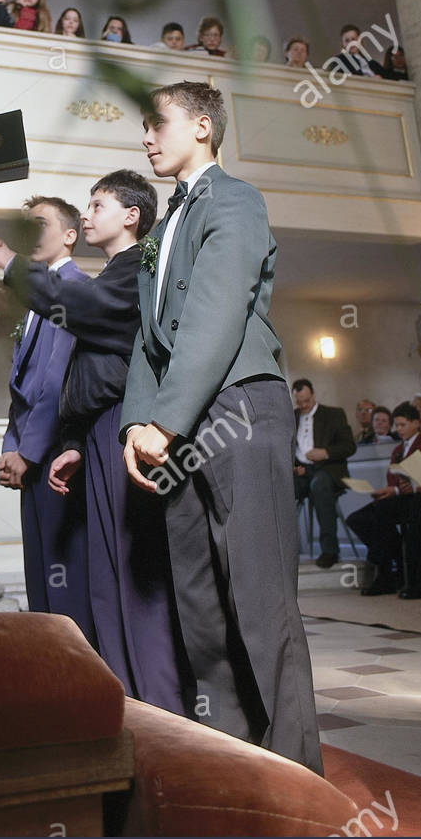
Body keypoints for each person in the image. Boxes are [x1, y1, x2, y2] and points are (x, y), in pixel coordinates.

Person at [120, 81, 320, 771]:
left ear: (203, 126)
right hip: (178, 422)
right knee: (198, 600)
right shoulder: (163, 227)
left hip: (239, 406)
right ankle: (235, 754)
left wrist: (164, 422)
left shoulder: (234, 199)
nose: (146, 138)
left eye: (158, 124)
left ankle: (295, 769)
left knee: (260, 599)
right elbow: (146, 340)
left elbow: (214, 315)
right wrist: (137, 424)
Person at [0, 170, 185, 713]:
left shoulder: (134, 270)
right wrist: (73, 436)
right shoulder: (114, 272)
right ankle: (118, 692)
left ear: (132, 216)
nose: (88, 213)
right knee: (104, 571)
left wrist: (7, 263)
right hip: (93, 428)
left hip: (124, 422)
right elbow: (78, 374)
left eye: (97, 205)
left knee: (126, 568)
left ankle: (149, 700)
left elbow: (81, 352)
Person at [0, 196, 94, 639]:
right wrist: (9, 447)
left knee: (64, 570)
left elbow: (56, 380)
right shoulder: (37, 299)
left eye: (42, 224)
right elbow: (22, 384)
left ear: (70, 235)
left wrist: (29, 451)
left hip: (58, 451)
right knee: (39, 568)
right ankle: (51, 666)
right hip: (31, 451)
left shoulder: (74, 286)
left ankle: (77, 671)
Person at [351, 402, 421, 596]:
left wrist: (396, 490)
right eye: (397, 425)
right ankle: (394, 554)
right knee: (358, 519)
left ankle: (387, 574)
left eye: (402, 425)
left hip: (417, 498)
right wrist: (389, 490)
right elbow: (393, 478)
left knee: (381, 514)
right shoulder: (398, 449)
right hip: (399, 497)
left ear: (416, 423)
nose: (399, 429)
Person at [292, 379, 356, 567]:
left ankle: (330, 550)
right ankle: (282, 551)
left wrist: (325, 453)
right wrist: (294, 466)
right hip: (302, 471)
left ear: (313, 395)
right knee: (279, 488)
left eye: (306, 401)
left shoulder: (334, 414)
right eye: (299, 402)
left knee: (319, 486)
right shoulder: (292, 417)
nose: (303, 405)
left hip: (328, 469)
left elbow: (349, 446)